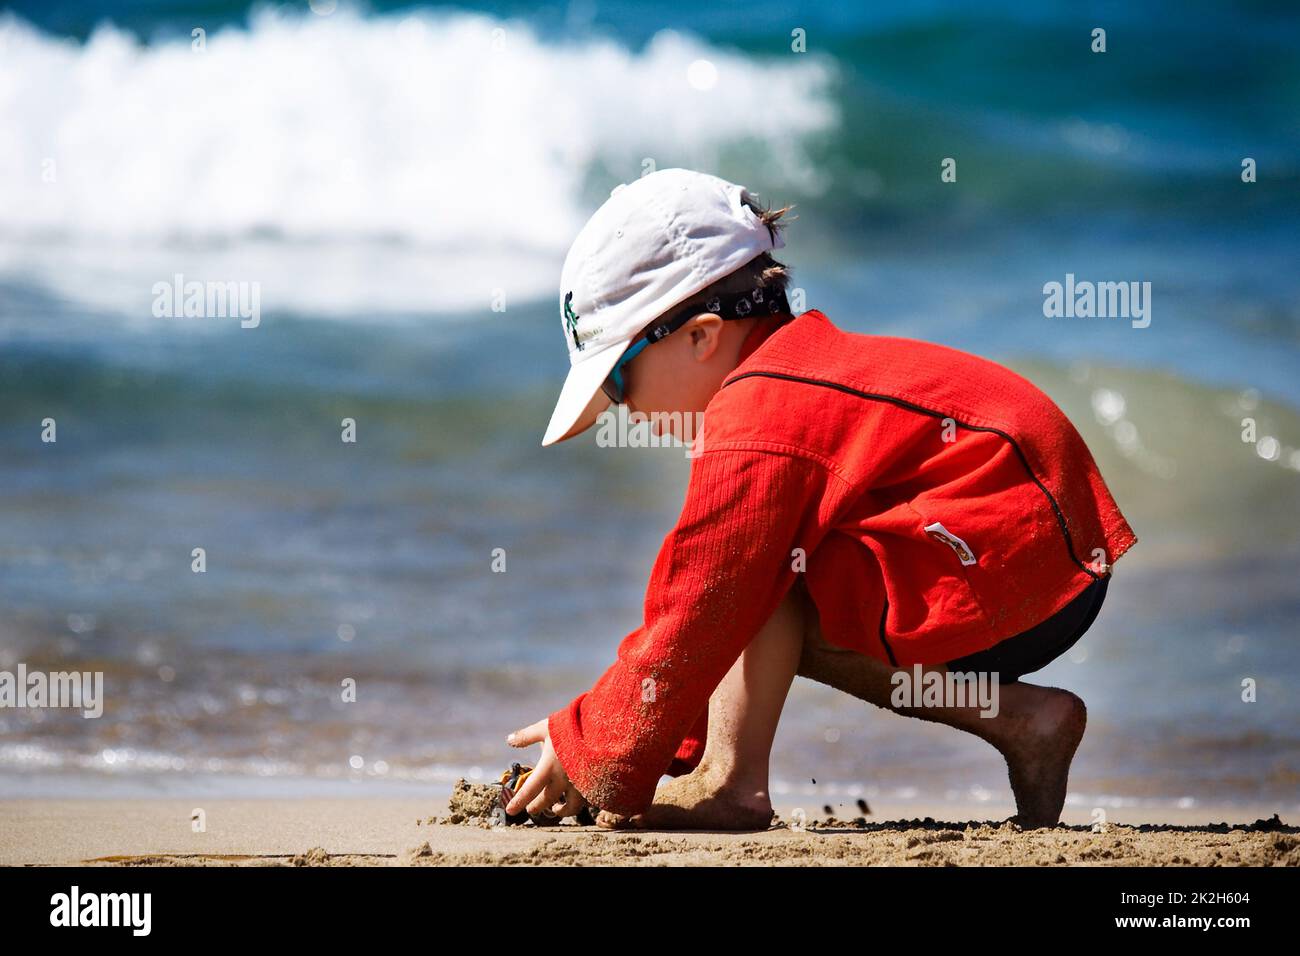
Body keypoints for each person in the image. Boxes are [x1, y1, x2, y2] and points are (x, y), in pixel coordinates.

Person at [505, 168, 1137, 829]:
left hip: (1019, 568)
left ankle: (733, 781)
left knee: (748, 574)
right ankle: (1023, 722)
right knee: (762, 562)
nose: (621, 407)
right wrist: (658, 741)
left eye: (617, 376)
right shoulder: (790, 372)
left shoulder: (759, 418)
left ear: (701, 336)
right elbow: (696, 593)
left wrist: (591, 747)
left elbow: (700, 601)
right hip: (1039, 559)